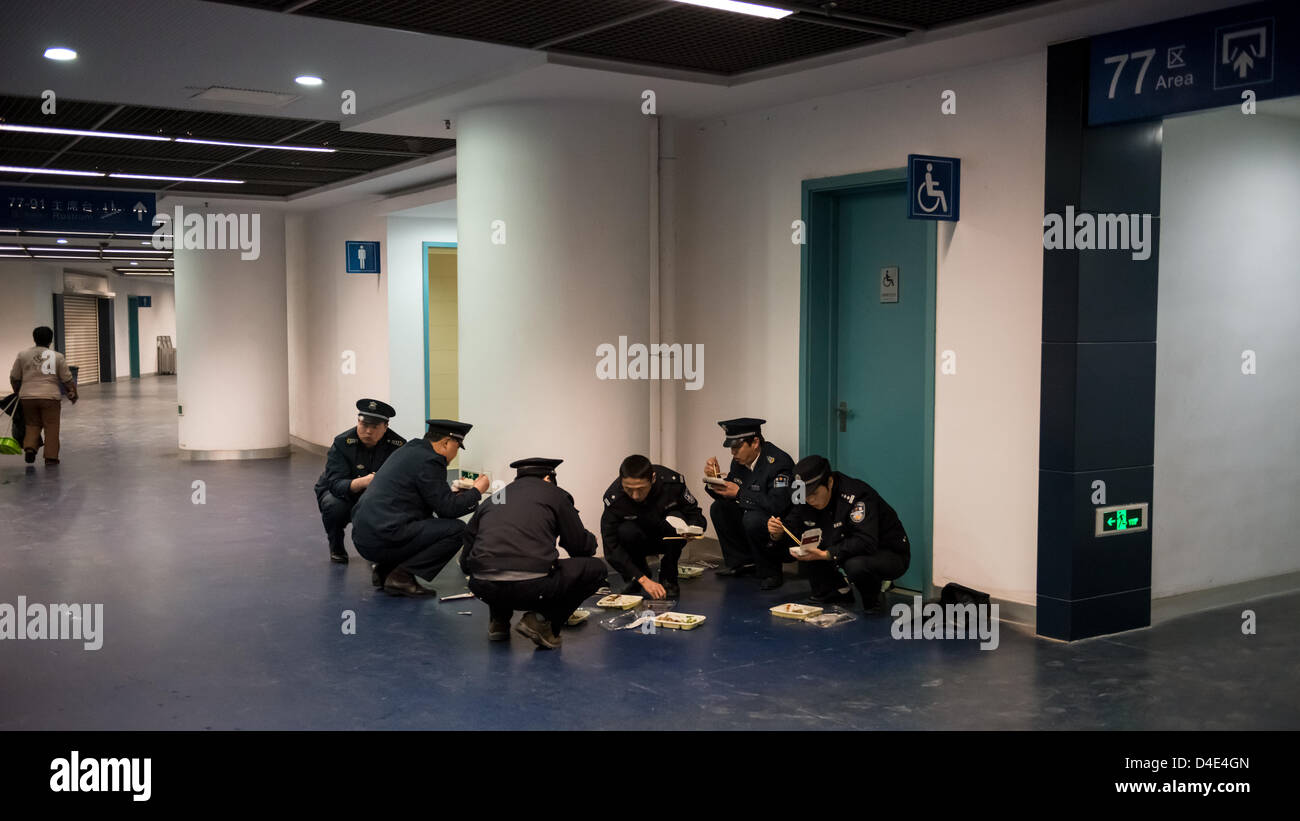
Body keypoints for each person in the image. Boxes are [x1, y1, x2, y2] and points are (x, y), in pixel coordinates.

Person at [462, 458, 605, 650]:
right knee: (596, 568)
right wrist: (591, 541)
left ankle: (499, 622)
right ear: (548, 477)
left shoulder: (495, 498)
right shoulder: (556, 495)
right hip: (531, 588)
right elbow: (578, 547)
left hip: (482, 586)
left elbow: (468, 549)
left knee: (497, 559)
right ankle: (541, 622)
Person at [350, 419, 490, 597]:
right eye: (456, 448)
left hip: (364, 536)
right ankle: (401, 577)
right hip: (382, 537)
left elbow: (427, 499)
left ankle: (385, 570)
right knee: (457, 530)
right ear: (446, 442)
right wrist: (477, 491)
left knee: (427, 522)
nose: (455, 454)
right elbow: (448, 510)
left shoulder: (410, 450)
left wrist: (455, 496)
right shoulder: (432, 461)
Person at [765, 455, 909, 612]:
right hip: (840, 542)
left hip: (886, 551)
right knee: (802, 543)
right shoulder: (804, 498)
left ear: (830, 482)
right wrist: (777, 533)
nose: (809, 500)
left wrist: (827, 554)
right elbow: (792, 527)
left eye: (814, 493)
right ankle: (836, 591)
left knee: (855, 565)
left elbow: (865, 541)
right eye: (805, 495)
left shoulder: (857, 496)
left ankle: (873, 599)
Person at [704, 417, 794, 590]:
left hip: (781, 526)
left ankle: (771, 572)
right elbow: (728, 495)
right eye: (731, 448)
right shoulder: (739, 462)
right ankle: (741, 563)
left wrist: (739, 492)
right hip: (755, 514)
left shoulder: (779, 463)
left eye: (737, 447)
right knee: (720, 508)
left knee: (752, 519)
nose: (733, 453)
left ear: (755, 442)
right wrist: (713, 481)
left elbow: (778, 505)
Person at [313, 399, 407, 563]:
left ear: (385, 427)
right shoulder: (342, 443)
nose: (368, 431)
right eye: (364, 425)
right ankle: (336, 545)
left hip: (377, 495)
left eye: (374, 426)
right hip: (343, 493)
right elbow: (335, 484)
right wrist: (366, 481)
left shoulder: (397, 445)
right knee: (333, 506)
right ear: (358, 421)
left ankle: (379, 548)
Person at [600, 454, 706, 600]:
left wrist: (693, 529)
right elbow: (611, 545)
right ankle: (637, 575)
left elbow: (694, 513)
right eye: (628, 489)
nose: (635, 495)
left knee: (676, 518)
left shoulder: (672, 484)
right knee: (625, 531)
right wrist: (641, 578)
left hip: (667, 537)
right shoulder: (614, 498)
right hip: (638, 541)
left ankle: (669, 576)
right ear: (621, 482)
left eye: (641, 489)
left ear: (653, 479)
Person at [8, 326, 77, 466]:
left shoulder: (23, 355)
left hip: (27, 397)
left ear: (34, 339)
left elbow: (14, 377)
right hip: (50, 397)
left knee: (32, 424)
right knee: (51, 426)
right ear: (50, 340)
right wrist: (72, 393)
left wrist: (17, 390)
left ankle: (30, 448)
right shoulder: (57, 356)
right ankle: (51, 457)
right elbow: (67, 378)